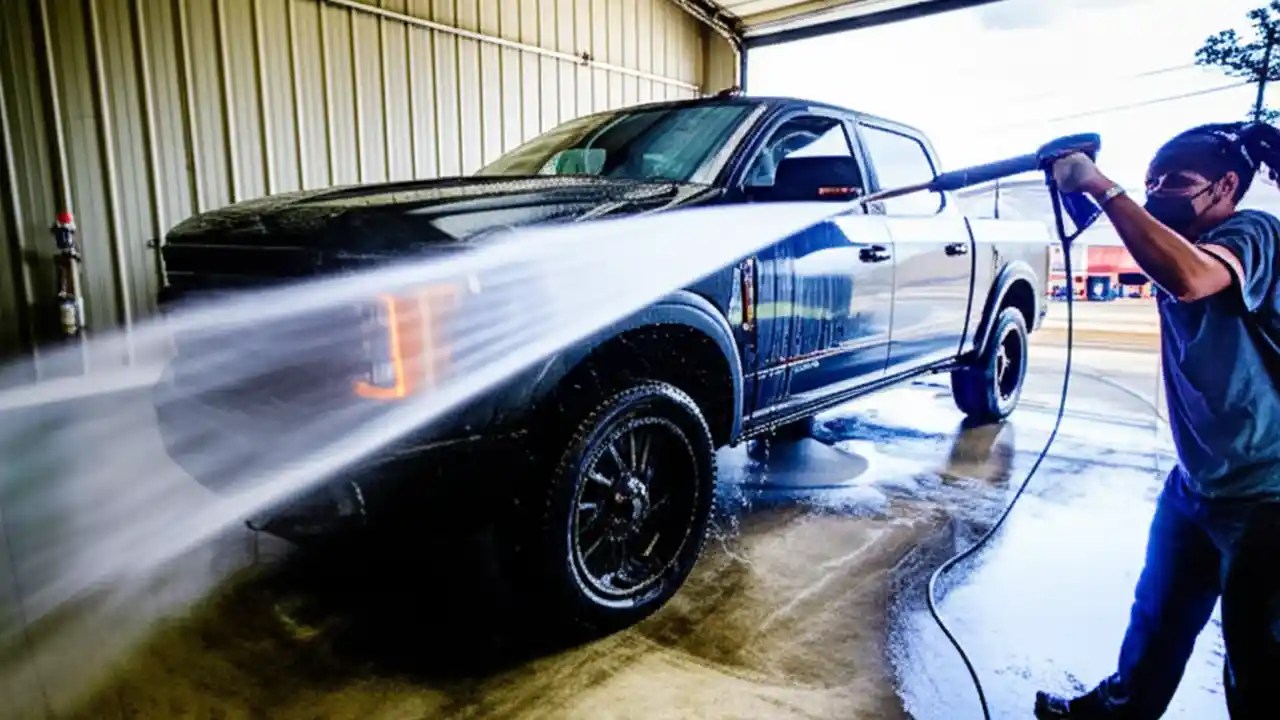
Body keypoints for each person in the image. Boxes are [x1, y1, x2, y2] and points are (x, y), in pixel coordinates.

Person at [1034, 122, 1280, 719]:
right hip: (1197, 482)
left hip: (1266, 494)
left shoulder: (1254, 232)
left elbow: (1192, 277)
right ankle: (1116, 714)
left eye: (1176, 181)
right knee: (1157, 622)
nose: (1159, 191)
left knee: (1258, 661)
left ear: (1226, 186)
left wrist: (1098, 183)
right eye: (1151, 181)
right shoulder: (1170, 238)